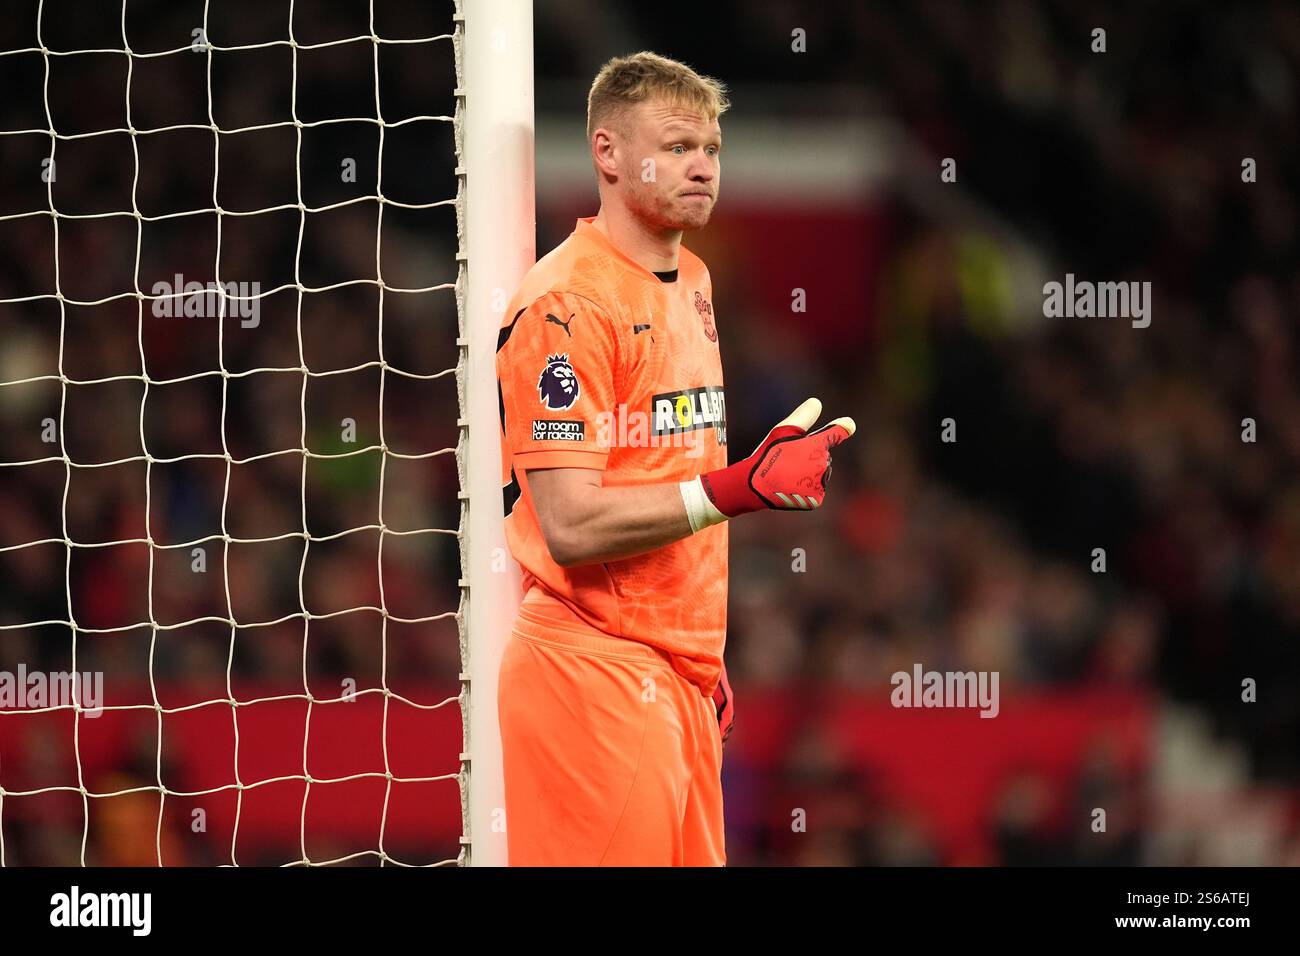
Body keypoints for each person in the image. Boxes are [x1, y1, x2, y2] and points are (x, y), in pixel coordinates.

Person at [495, 51, 855, 866]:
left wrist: (694, 652)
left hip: (673, 672)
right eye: (679, 145)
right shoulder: (569, 303)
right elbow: (572, 523)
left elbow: (657, 474)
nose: (702, 166)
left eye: (713, 149)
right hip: (592, 673)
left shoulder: (692, 277)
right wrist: (737, 488)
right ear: (608, 153)